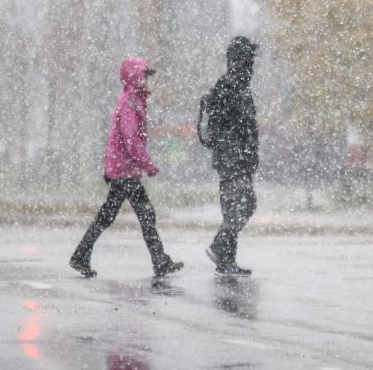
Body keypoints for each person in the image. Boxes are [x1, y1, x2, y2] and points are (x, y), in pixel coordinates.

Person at [70, 57, 183, 279]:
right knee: (144, 214)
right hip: (124, 170)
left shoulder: (134, 100)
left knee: (113, 215)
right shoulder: (130, 102)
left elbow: (130, 140)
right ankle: (159, 261)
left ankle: (81, 255)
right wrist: (147, 164)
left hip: (123, 168)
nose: (147, 79)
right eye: (143, 74)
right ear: (133, 76)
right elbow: (131, 140)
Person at [204, 36, 260, 277]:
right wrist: (238, 150)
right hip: (231, 159)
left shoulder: (237, 85)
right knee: (245, 203)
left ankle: (226, 260)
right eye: (249, 60)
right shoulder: (229, 86)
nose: (252, 66)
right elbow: (225, 126)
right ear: (241, 60)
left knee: (236, 207)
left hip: (237, 158)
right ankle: (219, 248)